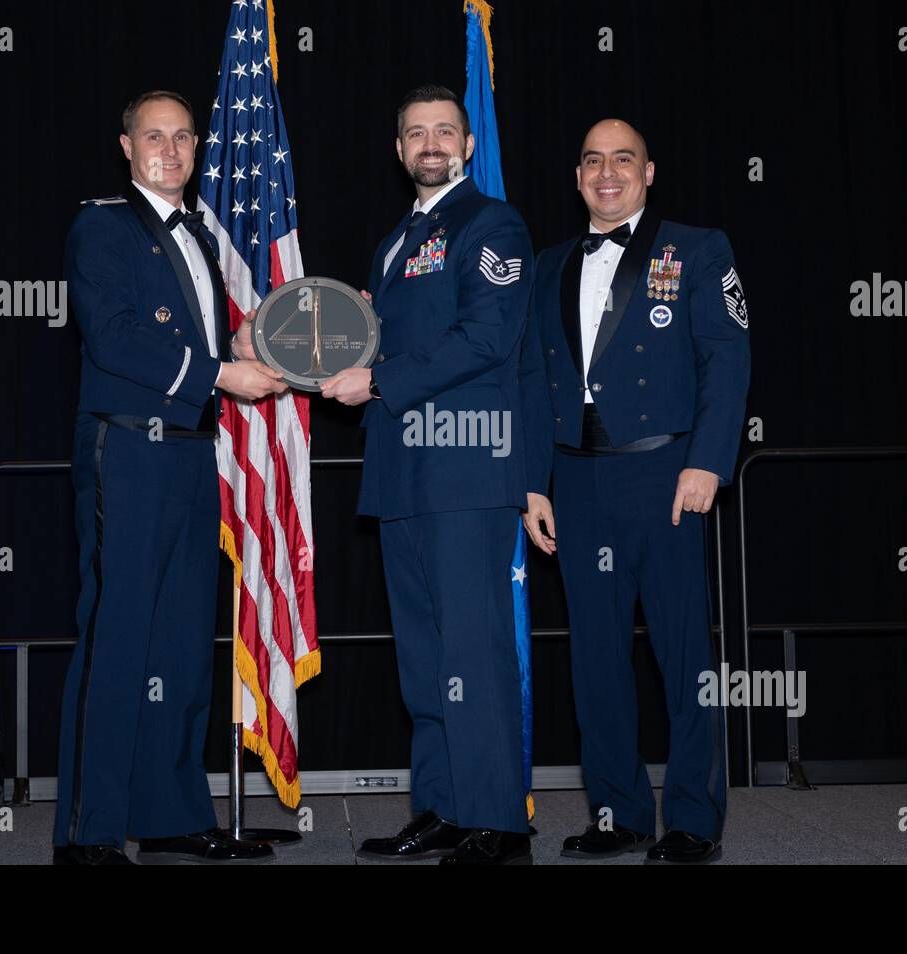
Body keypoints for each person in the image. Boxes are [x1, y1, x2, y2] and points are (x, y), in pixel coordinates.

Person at [52, 90, 287, 865]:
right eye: (155, 136)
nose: (172, 149)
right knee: (118, 636)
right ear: (127, 147)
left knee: (184, 639)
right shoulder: (103, 226)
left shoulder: (202, 236)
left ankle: (170, 813)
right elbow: (117, 341)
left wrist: (296, 333)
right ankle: (88, 831)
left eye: (184, 137)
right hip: (127, 451)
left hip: (190, 452)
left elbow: (221, 338)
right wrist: (222, 372)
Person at [519, 119, 750, 864]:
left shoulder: (698, 247)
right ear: (578, 175)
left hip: (667, 474)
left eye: (623, 159)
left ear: (648, 173)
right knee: (595, 657)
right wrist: (533, 482)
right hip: (577, 481)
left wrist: (709, 462)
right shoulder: (549, 263)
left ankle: (692, 819)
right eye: (592, 160)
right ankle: (618, 812)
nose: (607, 173)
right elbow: (530, 383)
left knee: (685, 656)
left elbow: (726, 358)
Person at [318, 84, 535, 865]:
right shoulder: (392, 243)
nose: (432, 143)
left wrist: (375, 381)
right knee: (425, 660)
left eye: (446, 131)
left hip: (467, 470)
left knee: (473, 653)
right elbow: (382, 343)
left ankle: (500, 825)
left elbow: (485, 338)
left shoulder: (492, 223)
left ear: (469, 145)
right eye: (416, 133)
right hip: (403, 475)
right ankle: (443, 807)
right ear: (399, 149)